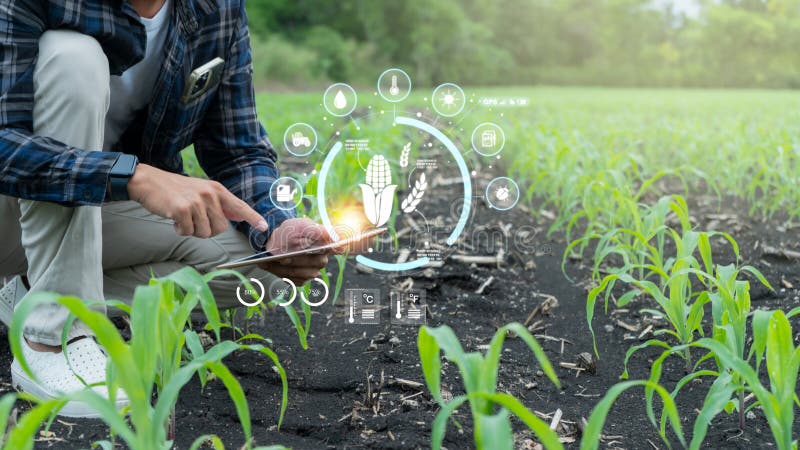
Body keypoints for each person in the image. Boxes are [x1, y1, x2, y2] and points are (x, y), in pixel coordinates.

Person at [0, 0, 330, 417]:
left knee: (260, 263)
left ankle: (32, 293)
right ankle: (52, 334)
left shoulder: (217, 8)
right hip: (9, 210)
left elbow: (237, 152)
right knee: (73, 58)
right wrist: (132, 176)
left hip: (90, 214)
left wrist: (278, 227)